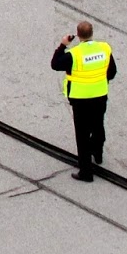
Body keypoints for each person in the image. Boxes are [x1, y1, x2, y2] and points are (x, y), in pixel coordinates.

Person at [51, 21, 116, 182]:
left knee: (82, 135)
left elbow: (55, 64)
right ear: (92, 33)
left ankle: (86, 172)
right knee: (98, 125)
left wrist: (62, 45)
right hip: (100, 95)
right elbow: (112, 72)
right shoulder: (104, 49)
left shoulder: (74, 54)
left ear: (78, 35)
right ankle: (98, 153)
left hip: (80, 100)